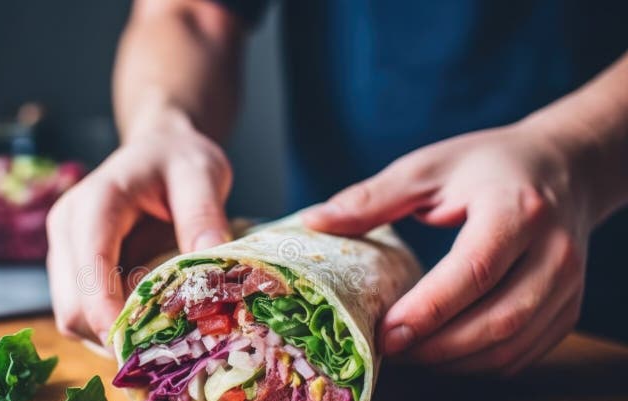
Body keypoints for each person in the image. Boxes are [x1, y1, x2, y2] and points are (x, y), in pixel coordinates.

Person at [46, 0, 628, 374]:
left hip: (595, 302)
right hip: (320, 226)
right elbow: (189, 12)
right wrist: (160, 125)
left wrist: (579, 152)